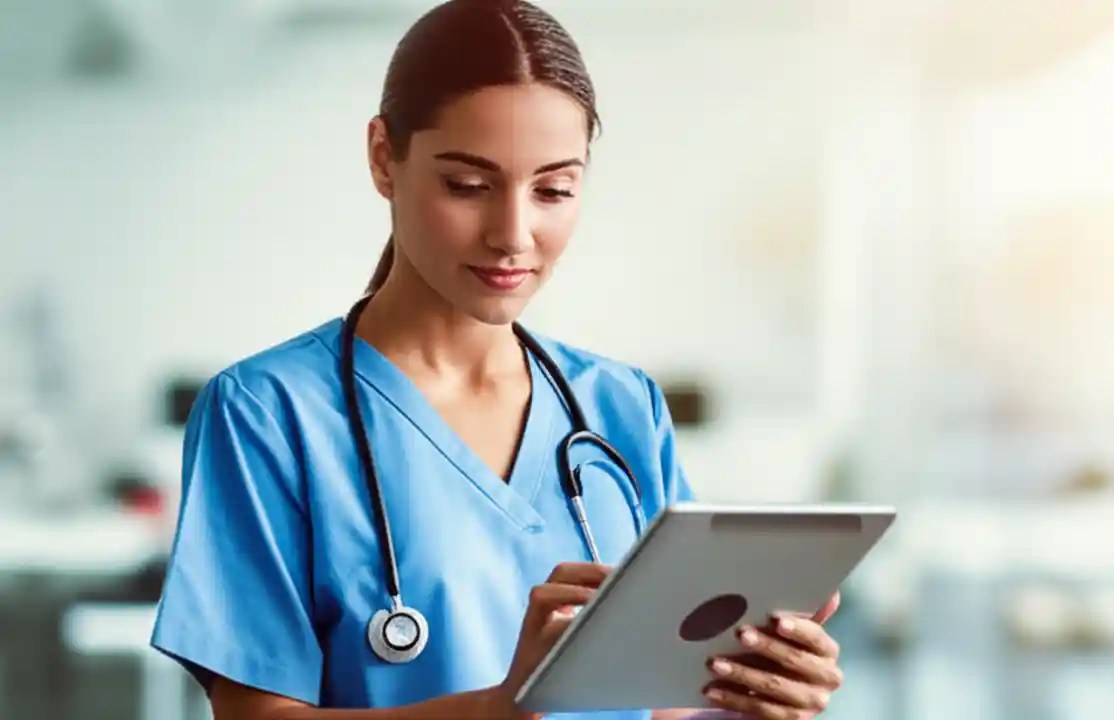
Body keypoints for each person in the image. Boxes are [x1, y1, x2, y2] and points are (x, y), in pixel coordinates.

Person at [148, 1, 845, 718]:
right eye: (468, 186)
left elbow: (665, 704)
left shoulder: (622, 408)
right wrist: (497, 710)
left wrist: (754, 695)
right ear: (384, 157)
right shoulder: (268, 415)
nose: (513, 234)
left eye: (553, 190)